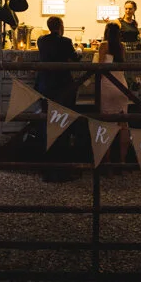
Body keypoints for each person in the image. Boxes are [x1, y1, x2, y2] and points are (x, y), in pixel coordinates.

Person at [34, 16, 82, 181]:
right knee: (63, 124)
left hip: (45, 86)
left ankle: (47, 165)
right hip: (62, 88)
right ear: (61, 26)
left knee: (48, 123)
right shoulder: (66, 41)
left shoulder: (41, 41)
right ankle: (61, 167)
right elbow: (76, 58)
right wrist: (80, 50)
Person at [95, 21, 131, 170]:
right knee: (123, 126)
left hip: (108, 87)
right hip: (122, 86)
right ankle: (122, 163)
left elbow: (100, 66)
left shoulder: (103, 45)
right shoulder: (122, 47)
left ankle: (108, 164)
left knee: (107, 127)